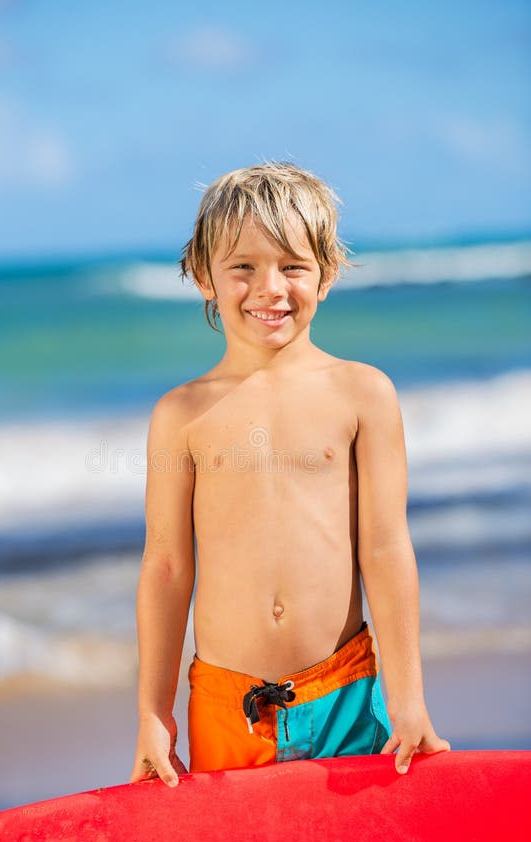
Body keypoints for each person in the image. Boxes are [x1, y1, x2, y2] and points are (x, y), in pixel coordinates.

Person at [130, 161, 450, 788]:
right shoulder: (182, 415)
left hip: (344, 692)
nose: (269, 288)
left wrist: (408, 697)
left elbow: (385, 550)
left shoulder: (363, 394)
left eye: (293, 266)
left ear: (327, 275)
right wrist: (153, 714)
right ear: (203, 276)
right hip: (228, 707)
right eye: (243, 266)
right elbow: (166, 566)